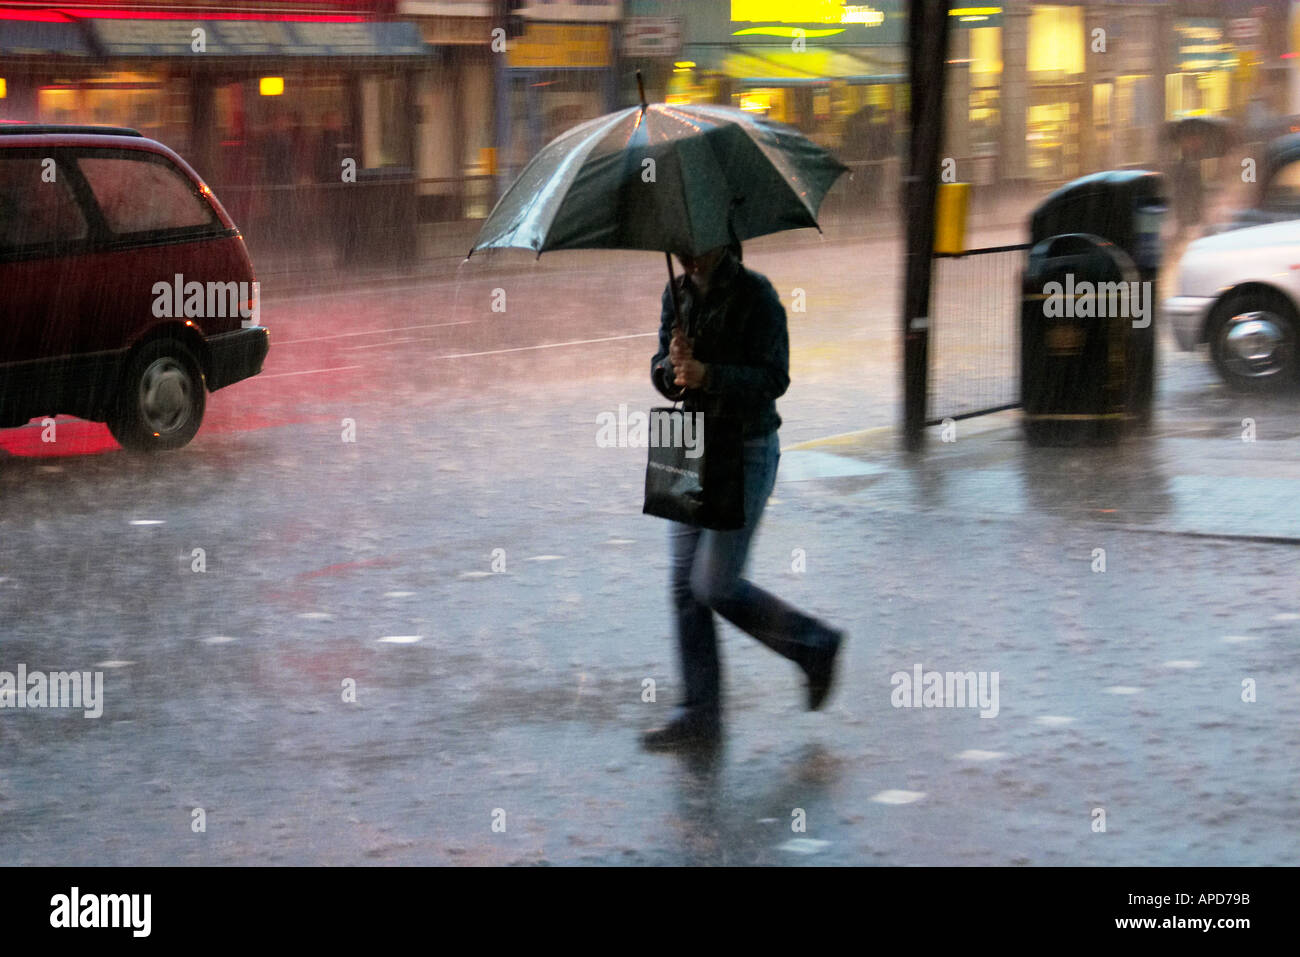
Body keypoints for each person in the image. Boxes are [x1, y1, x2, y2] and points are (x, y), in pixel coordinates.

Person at [642, 242, 845, 751]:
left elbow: (774, 378)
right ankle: (699, 714)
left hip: (746, 446)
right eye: (679, 248)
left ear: (719, 237)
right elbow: (663, 376)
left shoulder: (758, 297)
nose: (686, 258)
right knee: (684, 587)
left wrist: (711, 374)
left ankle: (813, 644)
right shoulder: (676, 294)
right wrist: (671, 367)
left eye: (695, 247)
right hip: (689, 445)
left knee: (714, 582)